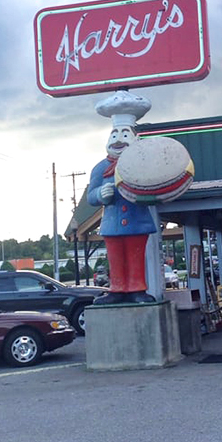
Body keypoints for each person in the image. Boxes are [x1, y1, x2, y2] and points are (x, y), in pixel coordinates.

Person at [87, 90, 156, 305]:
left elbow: (154, 190)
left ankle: (137, 288)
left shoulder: (143, 163)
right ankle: (116, 288)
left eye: (125, 134)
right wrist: (101, 194)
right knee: (115, 256)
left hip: (137, 220)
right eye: (114, 135)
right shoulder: (101, 167)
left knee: (136, 255)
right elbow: (90, 196)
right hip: (112, 222)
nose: (118, 140)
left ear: (136, 138)